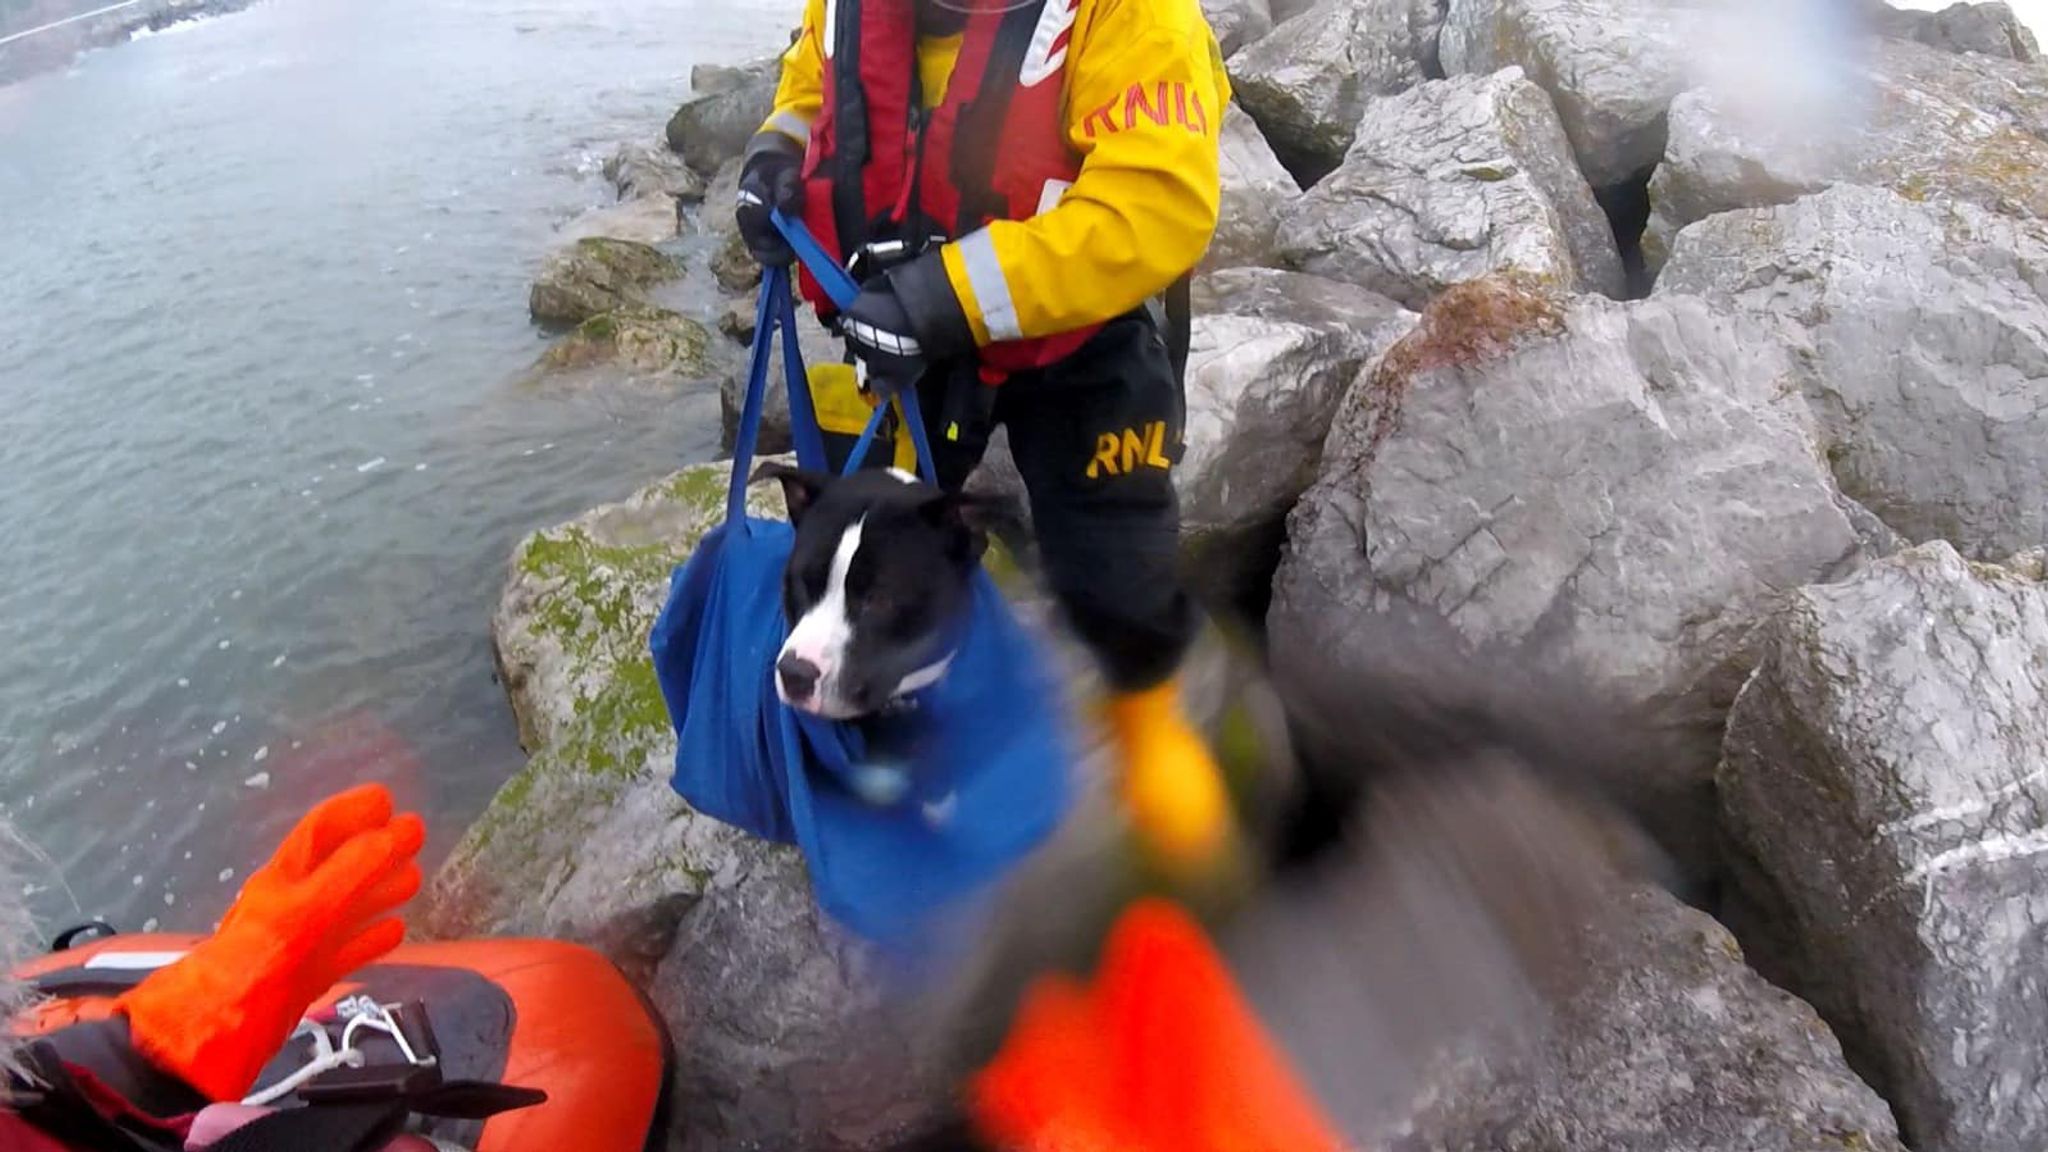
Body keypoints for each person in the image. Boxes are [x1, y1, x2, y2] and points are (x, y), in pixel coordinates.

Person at [733, 0, 1237, 876]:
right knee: (874, 543)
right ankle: (883, 722)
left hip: (1079, 338)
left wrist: (946, 298)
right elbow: (817, 74)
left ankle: (1145, 718)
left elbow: (1158, 203)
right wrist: (777, 150)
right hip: (902, 332)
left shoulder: (1136, 14)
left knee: (1116, 547)